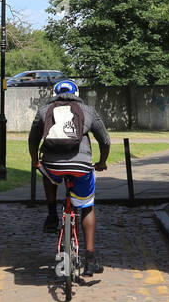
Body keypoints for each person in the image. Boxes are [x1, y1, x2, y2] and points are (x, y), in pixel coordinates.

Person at [28, 79, 110, 277]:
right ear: (77, 92)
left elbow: (32, 139)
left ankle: (51, 215)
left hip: (53, 165)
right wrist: (101, 162)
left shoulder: (44, 111)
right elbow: (105, 141)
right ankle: (90, 259)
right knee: (87, 205)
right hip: (80, 166)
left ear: (55, 93)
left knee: (47, 171)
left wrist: (34, 161)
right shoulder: (88, 111)